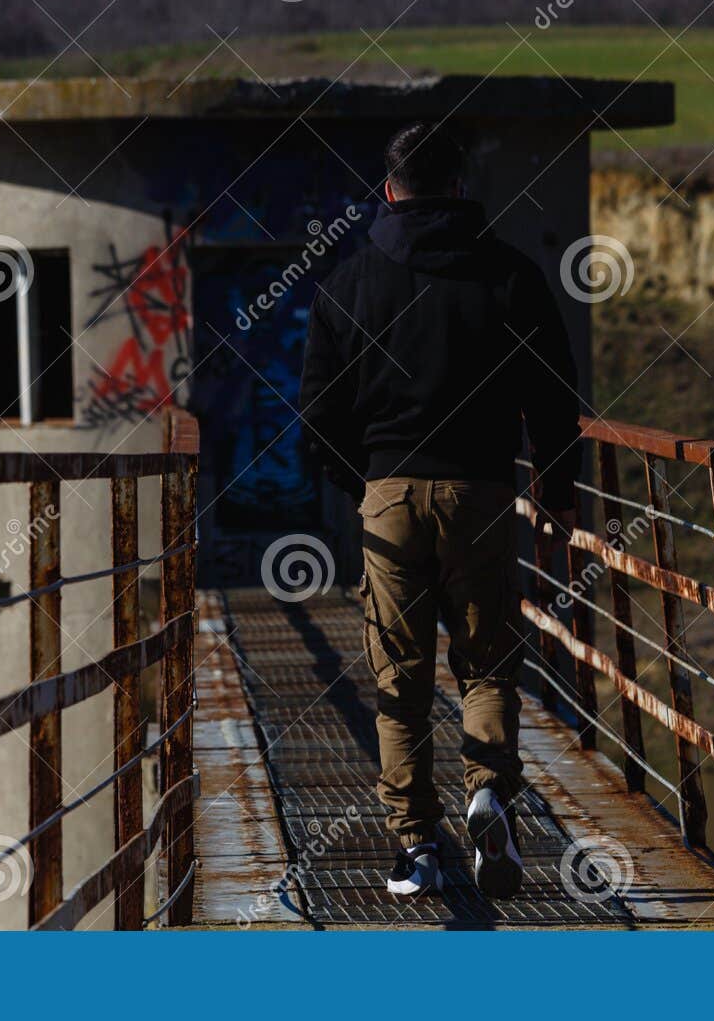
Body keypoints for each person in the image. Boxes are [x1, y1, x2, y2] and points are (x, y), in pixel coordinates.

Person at [299, 121, 580, 898]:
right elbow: (555, 400)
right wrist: (556, 490)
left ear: (389, 191)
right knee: (487, 661)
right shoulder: (513, 276)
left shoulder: (346, 284)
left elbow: (316, 414)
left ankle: (416, 846)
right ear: (460, 188)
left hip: (389, 495)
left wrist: (364, 483)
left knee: (401, 678)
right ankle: (488, 792)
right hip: (483, 491)